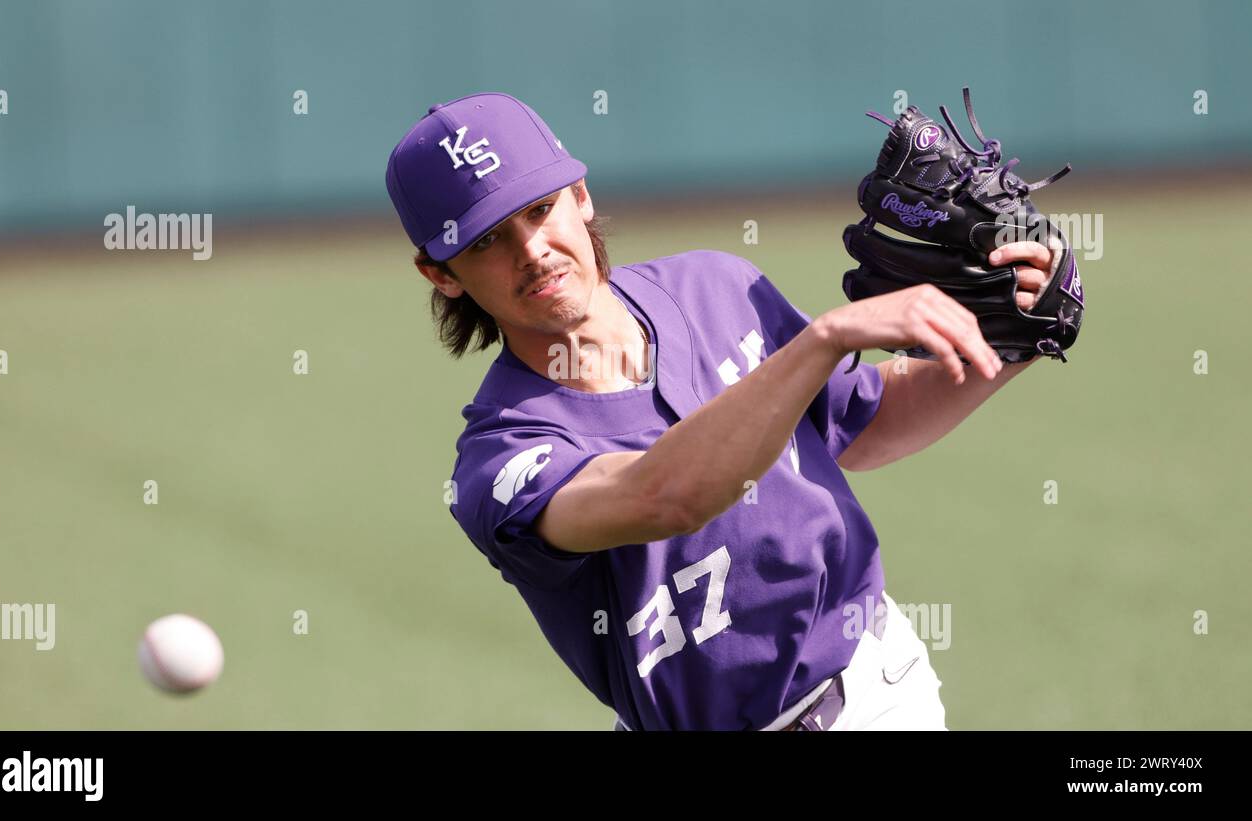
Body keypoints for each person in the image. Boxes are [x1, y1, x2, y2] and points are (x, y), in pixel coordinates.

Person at [386, 92, 1058, 730]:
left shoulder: (717, 287)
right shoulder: (502, 458)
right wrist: (825, 338)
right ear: (441, 273)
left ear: (580, 197)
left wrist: (1016, 337)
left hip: (876, 695)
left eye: (538, 210)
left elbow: (867, 421)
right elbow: (664, 495)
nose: (531, 250)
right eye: (485, 241)